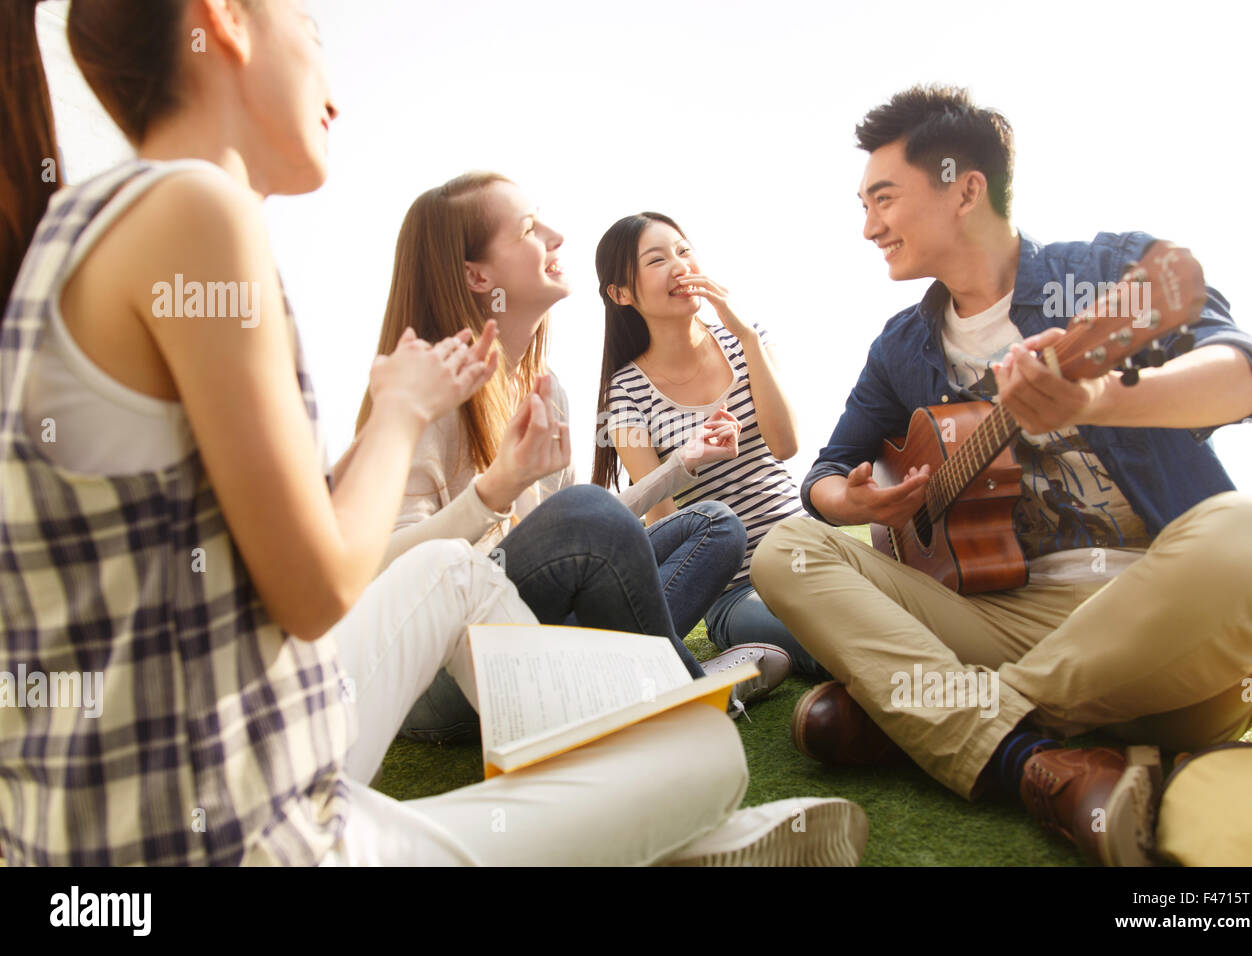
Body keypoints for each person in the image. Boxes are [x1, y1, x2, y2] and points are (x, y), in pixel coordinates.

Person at [0, 0, 867, 866]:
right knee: (704, 751)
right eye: (310, 30)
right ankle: (660, 817)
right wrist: (400, 415)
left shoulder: (91, 224)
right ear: (222, 19)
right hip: (234, 831)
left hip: (174, 787)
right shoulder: (196, 208)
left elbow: (260, 556)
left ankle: (617, 781)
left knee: (458, 572)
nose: (331, 89)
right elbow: (314, 589)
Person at [750, 84, 1252, 866]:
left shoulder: (1106, 271)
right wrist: (852, 498)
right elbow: (825, 474)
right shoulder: (900, 348)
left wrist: (1097, 396)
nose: (868, 226)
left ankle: (940, 722)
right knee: (786, 550)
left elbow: (1246, 375)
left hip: (1163, 616)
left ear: (965, 187)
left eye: (884, 198)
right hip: (1000, 619)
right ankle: (1034, 754)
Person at [359, 177, 794, 741]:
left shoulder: (544, 388)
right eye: (528, 229)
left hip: (533, 626)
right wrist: (491, 494)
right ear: (477, 276)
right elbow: (384, 569)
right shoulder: (426, 390)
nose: (556, 235)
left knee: (715, 523)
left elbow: (594, 532)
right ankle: (688, 695)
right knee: (585, 513)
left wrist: (679, 465)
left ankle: (621, 688)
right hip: (442, 671)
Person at [591, 212, 831, 683]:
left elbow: (785, 445)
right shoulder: (626, 394)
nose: (680, 266)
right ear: (621, 294)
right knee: (829, 640)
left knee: (889, 615)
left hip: (806, 549)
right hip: (737, 590)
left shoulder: (747, 342)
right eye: (657, 260)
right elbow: (665, 519)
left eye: (684, 250)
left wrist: (747, 338)